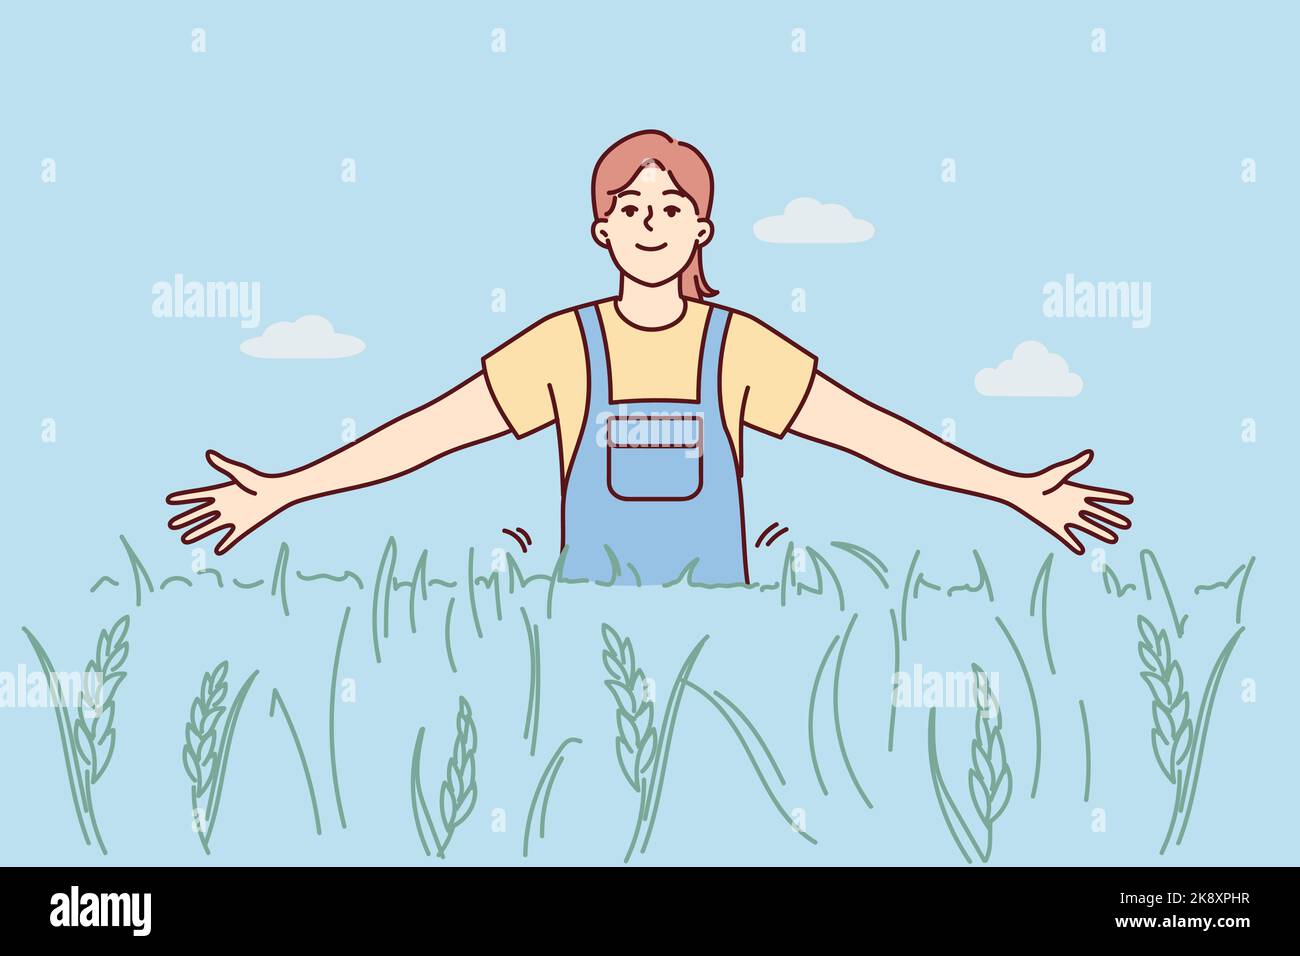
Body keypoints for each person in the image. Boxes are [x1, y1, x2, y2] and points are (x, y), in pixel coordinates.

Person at [167, 130, 1132, 585]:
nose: (652, 224)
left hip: (723, 644)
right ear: (601, 228)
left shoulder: (738, 348)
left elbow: (868, 432)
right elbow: (431, 432)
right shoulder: (564, 348)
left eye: (671, 208)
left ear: (702, 226)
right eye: (631, 208)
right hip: (584, 645)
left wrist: (1012, 488)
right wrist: (287, 488)